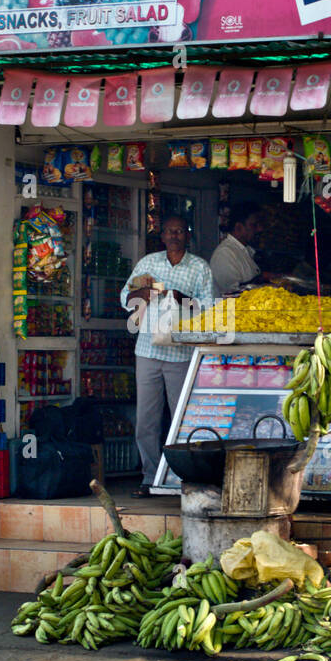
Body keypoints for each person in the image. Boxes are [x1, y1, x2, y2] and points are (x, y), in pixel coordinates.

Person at [120, 214, 215, 497]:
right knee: (146, 420)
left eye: (179, 231)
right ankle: (150, 477)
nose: (174, 236)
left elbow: (210, 308)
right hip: (148, 350)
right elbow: (125, 299)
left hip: (182, 352)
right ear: (162, 235)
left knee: (181, 419)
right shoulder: (148, 263)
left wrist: (180, 297)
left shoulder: (200, 268)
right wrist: (143, 293)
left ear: (188, 235)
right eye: (169, 231)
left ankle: (181, 479)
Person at [208, 201, 266, 295]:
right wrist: (262, 278)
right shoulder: (225, 254)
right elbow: (231, 293)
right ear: (239, 227)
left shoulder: (245, 250)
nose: (260, 229)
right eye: (255, 225)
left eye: (260, 225)